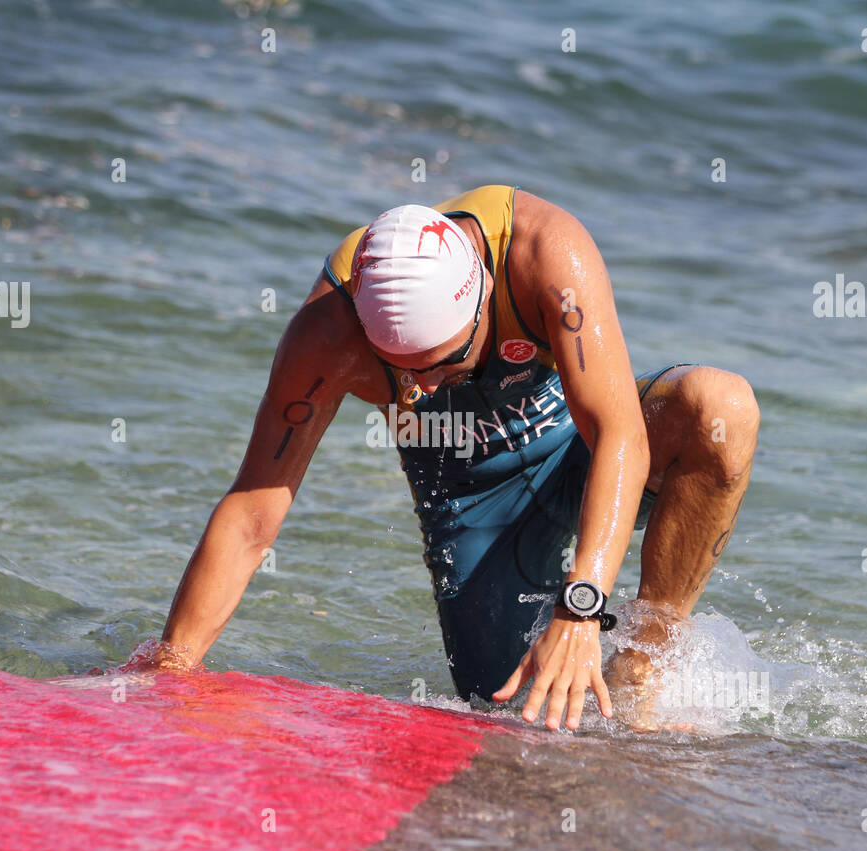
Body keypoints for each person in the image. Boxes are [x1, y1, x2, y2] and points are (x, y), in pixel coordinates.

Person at [151, 185, 759, 731]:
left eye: (447, 362)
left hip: (575, 447)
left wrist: (582, 608)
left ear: (484, 295)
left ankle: (644, 665)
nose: (427, 389)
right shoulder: (324, 334)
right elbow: (253, 513)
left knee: (721, 409)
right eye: (406, 374)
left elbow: (619, 437)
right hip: (467, 496)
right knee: (503, 717)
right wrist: (168, 671)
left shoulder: (545, 253)